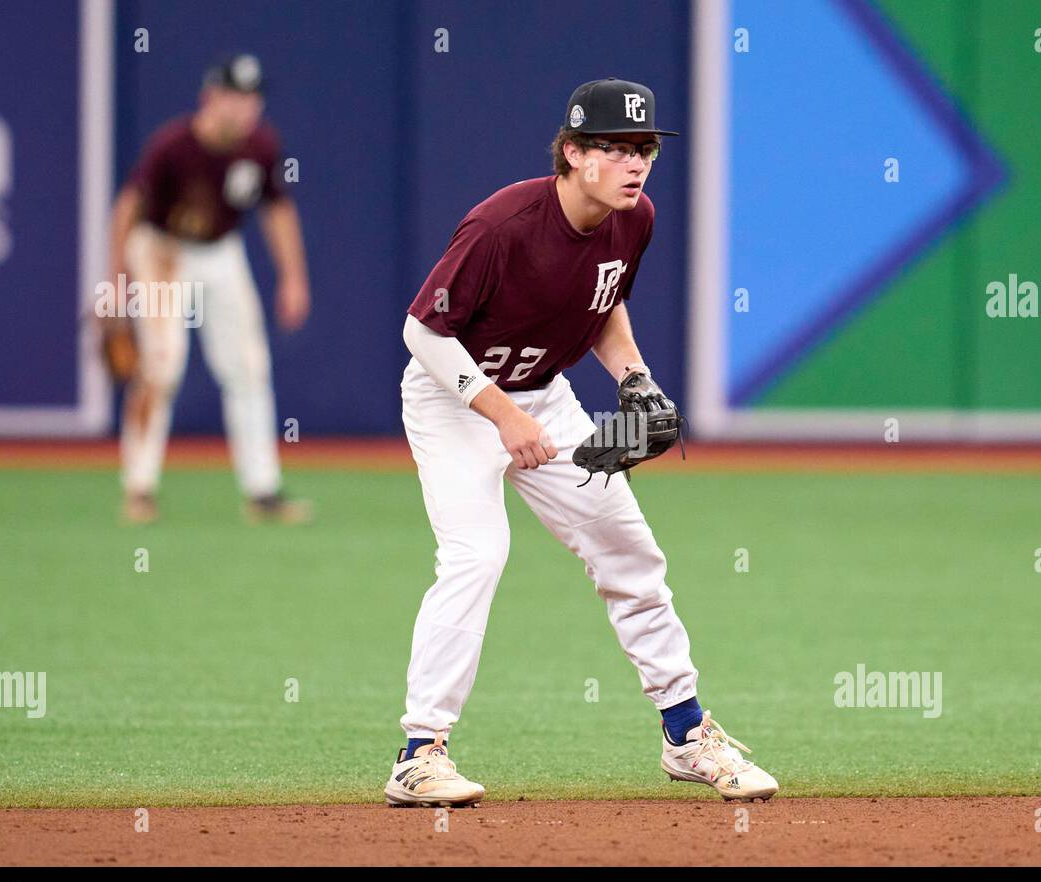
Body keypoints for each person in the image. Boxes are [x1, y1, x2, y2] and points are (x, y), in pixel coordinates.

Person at [385, 78, 777, 807]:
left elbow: (600, 300)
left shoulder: (636, 219)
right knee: (476, 555)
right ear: (572, 153)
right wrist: (501, 414)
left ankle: (687, 737)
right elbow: (422, 332)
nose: (636, 164)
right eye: (616, 149)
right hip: (455, 399)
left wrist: (635, 378)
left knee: (629, 551)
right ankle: (419, 755)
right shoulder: (502, 224)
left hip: (544, 400)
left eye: (645, 149)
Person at [107, 54, 311, 525]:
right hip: (161, 250)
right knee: (161, 365)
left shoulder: (260, 147)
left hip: (220, 251)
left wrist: (293, 277)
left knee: (249, 366)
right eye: (234, 97)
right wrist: (115, 281)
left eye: (252, 99)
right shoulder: (173, 147)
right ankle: (138, 487)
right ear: (210, 97)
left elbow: (277, 210)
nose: (244, 108)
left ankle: (261, 492)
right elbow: (128, 207)